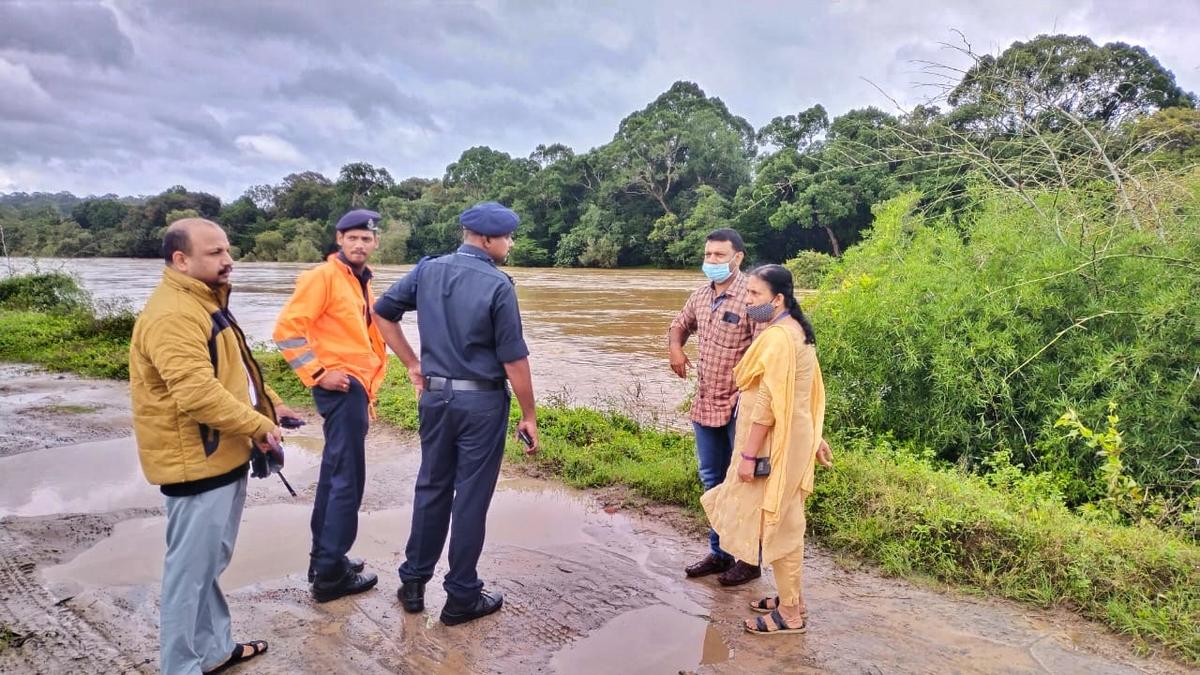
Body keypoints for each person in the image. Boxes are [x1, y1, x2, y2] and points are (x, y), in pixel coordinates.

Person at [130, 218, 296, 674]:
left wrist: (270, 404)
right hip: (194, 461)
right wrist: (257, 424)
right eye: (214, 253)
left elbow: (234, 371)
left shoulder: (204, 301)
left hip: (219, 454)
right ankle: (180, 667)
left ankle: (215, 649)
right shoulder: (173, 314)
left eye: (227, 250)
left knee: (208, 564)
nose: (227, 260)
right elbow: (197, 393)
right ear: (180, 260)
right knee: (189, 575)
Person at [373, 201, 539, 626]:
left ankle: (413, 582)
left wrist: (412, 362)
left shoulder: (427, 269)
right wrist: (529, 415)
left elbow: (382, 313)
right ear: (486, 240)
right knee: (470, 496)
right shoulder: (498, 285)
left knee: (431, 486)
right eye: (507, 237)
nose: (511, 243)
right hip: (481, 403)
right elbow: (514, 360)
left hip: (435, 398)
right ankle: (462, 594)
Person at [700, 264, 834, 636]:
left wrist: (747, 456)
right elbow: (804, 393)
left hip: (775, 444)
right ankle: (793, 598)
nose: (749, 300)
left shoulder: (778, 339)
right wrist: (815, 437)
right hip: (794, 437)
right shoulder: (795, 331)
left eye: (756, 295)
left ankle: (790, 613)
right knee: (783, 520)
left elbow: (770, 404)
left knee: (780, 525)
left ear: (778, 299)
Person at [273, 209, 388, 602]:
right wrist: (318, 373)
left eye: (367, 239)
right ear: (339, 239)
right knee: (346, 481)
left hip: (355, 386)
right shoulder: (322, 277)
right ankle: (331, 575)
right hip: (341, 385)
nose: (359, 244)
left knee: (336, 473)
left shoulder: (359, 281)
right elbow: (287, 330)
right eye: (353, 238)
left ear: (375, 243)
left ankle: (325, 560)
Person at [668, 228, 763, 586]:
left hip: (741, 404)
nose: (711, 261)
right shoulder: (699, 296)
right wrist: (675, 348)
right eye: (708, 255)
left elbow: (771, 346)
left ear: (738, 258)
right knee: (712, 479)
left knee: (744, 482)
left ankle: (749, 560)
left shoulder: (755, 298)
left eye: (719, 256)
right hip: (706, 401)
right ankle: (720, 553)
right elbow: (679, 325)